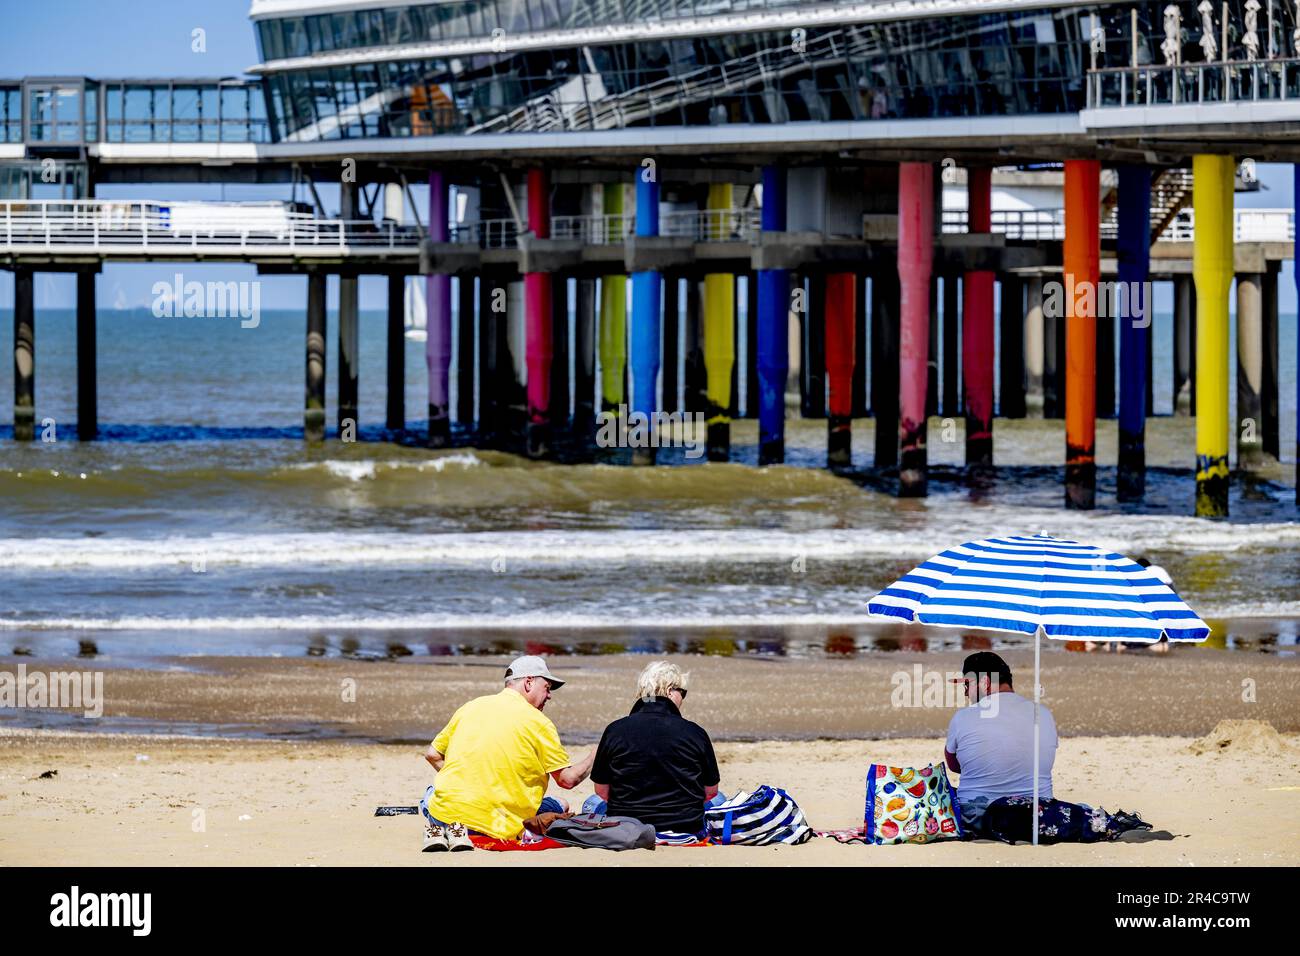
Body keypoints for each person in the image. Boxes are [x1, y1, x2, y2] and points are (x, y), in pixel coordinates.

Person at [420, 655, 595, 851]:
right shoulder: (539, 722)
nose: (549, 695)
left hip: (448, 813)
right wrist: (594, 756)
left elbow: (432, 755)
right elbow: (567, 780)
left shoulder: (470, 706)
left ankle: (445, 828)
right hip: (499, 824)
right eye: (547, 687)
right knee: (561, 803)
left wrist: (471, 779)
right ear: (529, 682)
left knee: (431, 794)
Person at [583, 661, 722, 844]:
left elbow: (601, 790)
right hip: (684, 824)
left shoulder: (615, 730)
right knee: (720, 799)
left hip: (627, 823)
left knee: (591, 803)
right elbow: (710, 792)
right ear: (671, 691)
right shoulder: (695, 732)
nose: (683, 699)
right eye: (683, 693)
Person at [943, 651, 1057, 837]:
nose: (965, 692)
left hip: (978, 816)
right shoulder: (1043, 714)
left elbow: (954, 765)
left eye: (967, 684)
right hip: (1039, 813)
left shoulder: (963, 717)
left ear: (985, 683)